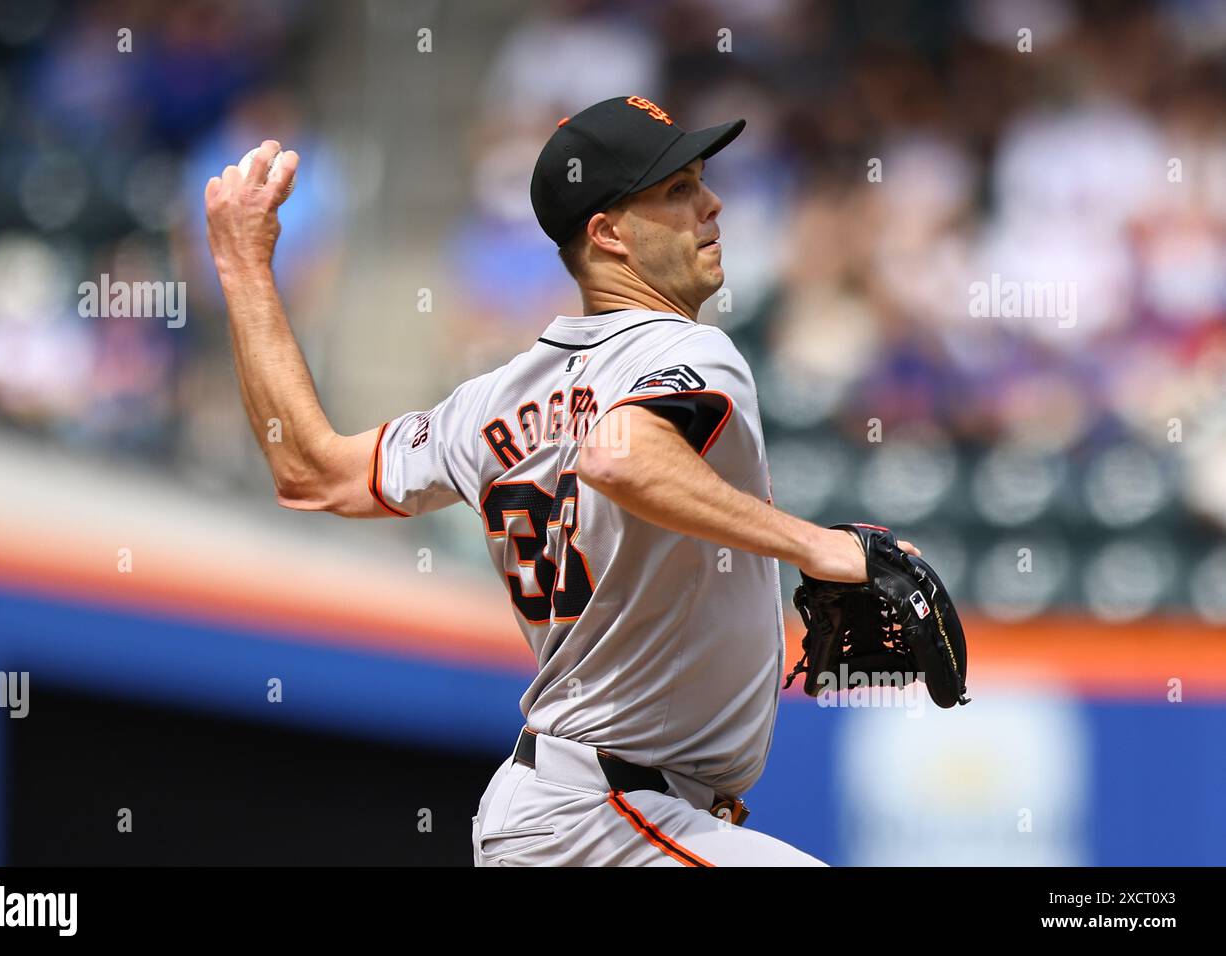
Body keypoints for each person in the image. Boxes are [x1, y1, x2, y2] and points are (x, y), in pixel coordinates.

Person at [204, 95, 921, 866]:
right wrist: (821, 548)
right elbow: (620, 454)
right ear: (608, 233)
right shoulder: (688, 350)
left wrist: (244, 269)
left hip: (573, 814)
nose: (711, 203)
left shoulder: (493, 399)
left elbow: (312, 470)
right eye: (677, 190)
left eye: (701, 181)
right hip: (606, 815)